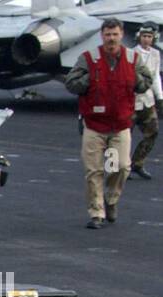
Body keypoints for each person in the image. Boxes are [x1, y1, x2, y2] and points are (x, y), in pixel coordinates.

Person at [66, 20, 153, 226]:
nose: (111, 38)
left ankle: (111, 199)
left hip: (119, 127)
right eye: (107, 34)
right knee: (94, 170)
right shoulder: (89, 59)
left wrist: (136, 81)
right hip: (95, 126)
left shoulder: (133, 58)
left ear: (121, 34)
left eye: (114, 34)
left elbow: (146, 81)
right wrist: (86, 82)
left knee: (119, 167)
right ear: (102, 35)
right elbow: (71, 82)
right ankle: (96, 213)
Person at [130, 24, 161, 179]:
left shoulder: (156, 54)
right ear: (139, 37)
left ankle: (137, 163)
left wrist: (160, 97)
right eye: (144, 36)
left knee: (152, 132)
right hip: (131, 101)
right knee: (121, 137)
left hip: (147, 101)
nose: (146, 39)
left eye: (149, 36)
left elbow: (155, 77)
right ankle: (117, 168)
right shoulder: (131, 54)